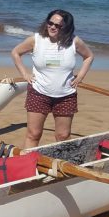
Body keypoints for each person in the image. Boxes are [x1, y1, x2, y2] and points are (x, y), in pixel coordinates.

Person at [11, 9, 94, 149]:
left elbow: (89, 56)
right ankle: (27, 161)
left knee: (63, 136)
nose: (53, 27)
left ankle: (63, 161)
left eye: (58, 25)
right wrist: (25, 74)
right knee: (33, 134)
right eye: (50, 23)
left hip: (66, 96)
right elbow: (15, 52)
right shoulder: (36, 39)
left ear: (66, 27)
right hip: (39, 93)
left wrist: (80, 76)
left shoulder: (74, 41)